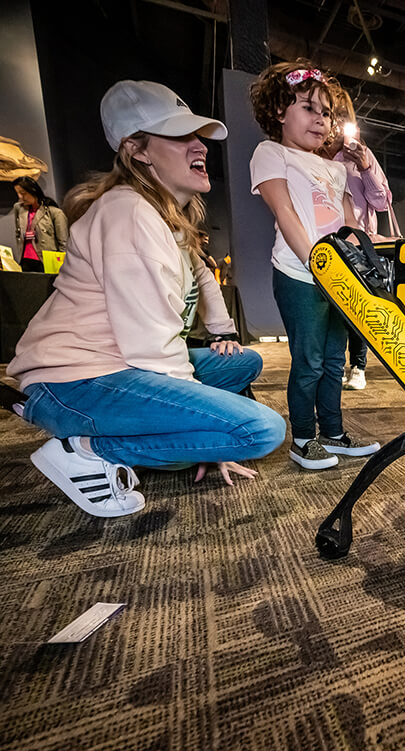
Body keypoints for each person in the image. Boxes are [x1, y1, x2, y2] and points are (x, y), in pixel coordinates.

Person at [7, 80, 285, 517]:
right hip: (73, 381)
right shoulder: (130, 211)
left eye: (198, 136)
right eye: (180, 136)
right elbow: (152, 348)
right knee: (259, 431)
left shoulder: (160, 217)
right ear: (136, 149)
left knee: (243, 362)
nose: (200, 147)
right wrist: (208, 439)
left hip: (111, 366)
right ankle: (83, 448)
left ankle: (142, 437)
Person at [249, 60, 380, 470]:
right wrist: (316, 260)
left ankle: (334, 434)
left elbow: (349, 223)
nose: (321, 119)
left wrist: (359, 259)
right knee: (308, 362)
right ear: (278, 112)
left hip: (337, 276)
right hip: (298, 274)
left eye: (326, 112)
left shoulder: (335, 168)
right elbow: (284, 211)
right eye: (308, 107)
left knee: (335, 359)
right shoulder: (269, 153)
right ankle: (304, 439)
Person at [320, 85, 393, 392]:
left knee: (355, 306)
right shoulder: (310, 154)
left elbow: (382, 201)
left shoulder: (361, 155)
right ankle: (332, 366)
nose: (334, 123)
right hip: (322, 241)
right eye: (329, 114)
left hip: (357, 242)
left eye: (340, 116)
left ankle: (359, 365)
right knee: (330, 309)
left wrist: (364, 166)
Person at [12, 177, 69, 272]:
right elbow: (18, 233)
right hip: (25, 261)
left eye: (23, 193)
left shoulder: (54, 213)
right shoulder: (19, 209)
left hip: (46, 261)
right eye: (17, 193)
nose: (20, 197)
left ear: (33, 190)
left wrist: (62, 267)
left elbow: (63, 243)